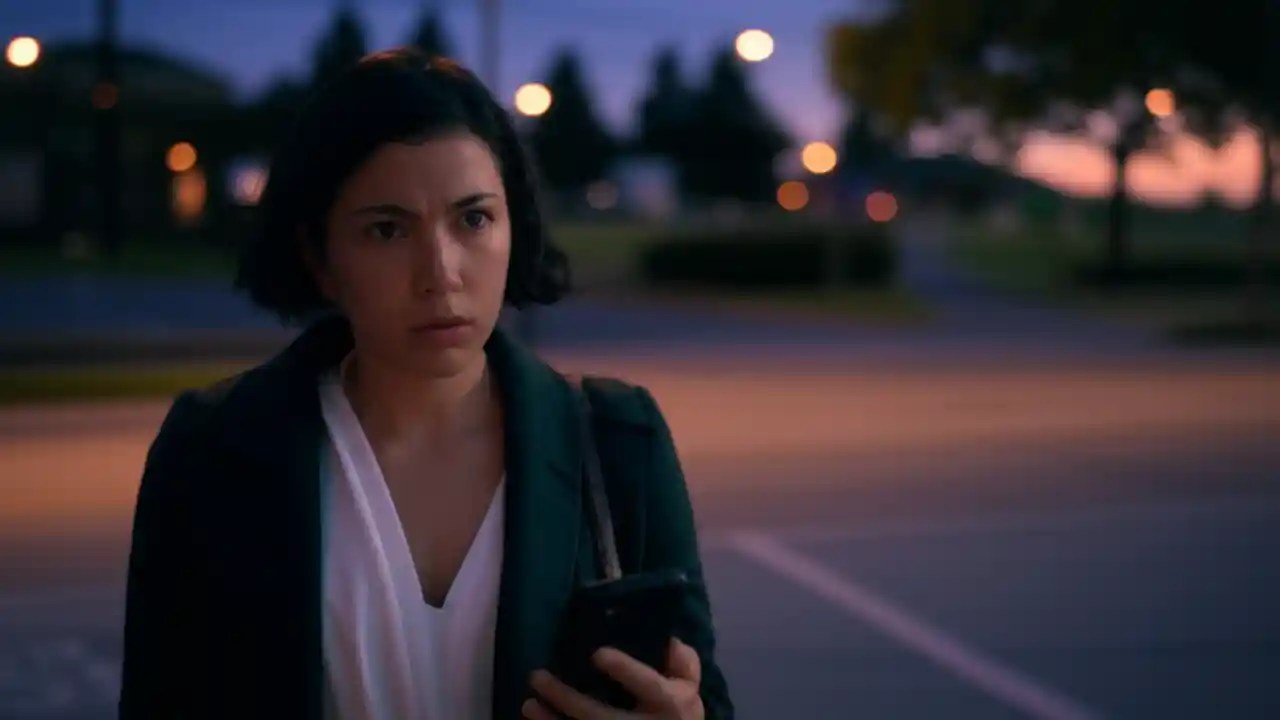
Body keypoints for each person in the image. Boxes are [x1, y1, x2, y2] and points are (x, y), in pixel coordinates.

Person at [117, 48, 732, 719]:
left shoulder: (618, 437)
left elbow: (705, 694)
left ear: (513, 225)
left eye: (473, 219)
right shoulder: (213, 447)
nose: (440, 272)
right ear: (319, 259)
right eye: (386, 230)